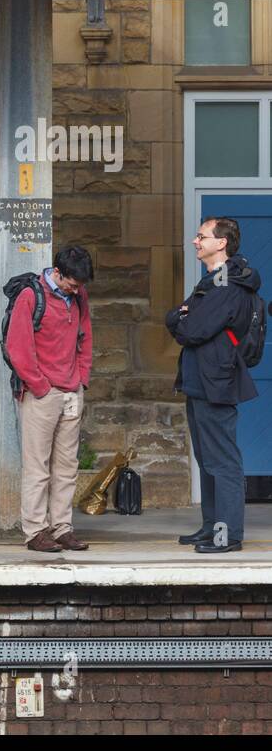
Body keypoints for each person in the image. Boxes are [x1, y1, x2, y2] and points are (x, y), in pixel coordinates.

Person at [167, 217, 262, 554]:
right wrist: (182, 317)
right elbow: (188, 322)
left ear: (221, 243)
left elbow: (191, 329)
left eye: (201, 236)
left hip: (216, 381)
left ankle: (227, 535)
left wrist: (178, 317)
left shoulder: (227, 284)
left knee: (222, 461)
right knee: (207, 459)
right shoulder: (214, 280)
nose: (195, 241)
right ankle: (211, 527)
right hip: (201, 380)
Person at [4, 245, 95, 553]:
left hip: (72, 390)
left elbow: (85, 335)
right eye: (72, 284)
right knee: (37, 466)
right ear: (58, 273)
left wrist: (82, 377)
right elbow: (18, 347)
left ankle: (62, 527)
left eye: (80, 285)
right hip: (41, 392)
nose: (76, 290)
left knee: (67, 465)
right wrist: (40, 386)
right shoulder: (31, 296)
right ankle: (34, 530)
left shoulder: (79, 295)